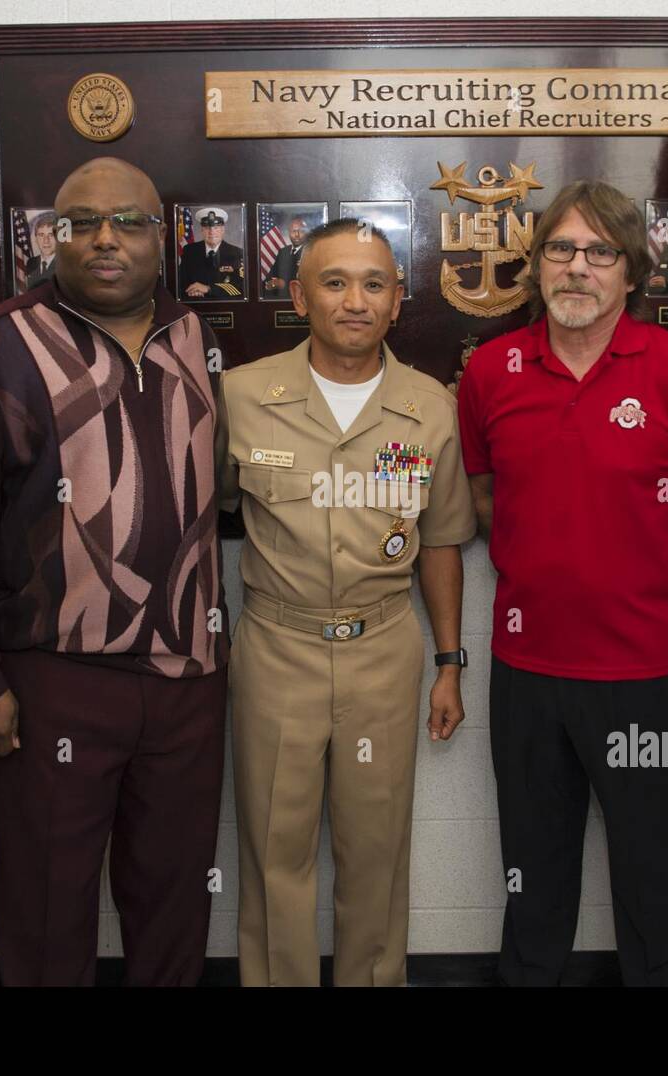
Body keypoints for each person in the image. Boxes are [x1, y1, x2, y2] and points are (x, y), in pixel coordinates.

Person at [0, 158, 229, 987]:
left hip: (186, 681)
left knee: (174, 906)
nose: (103, 239)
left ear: (160, 239)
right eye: (81, 222)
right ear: (52, 237)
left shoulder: (195, 335)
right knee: (47, 910)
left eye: (126, 221)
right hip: (52, 680)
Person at [458, 180, 668, 987]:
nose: (576, 268)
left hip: (649, 678)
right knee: (532, 877)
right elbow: (483, 493)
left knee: (660, 879)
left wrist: (651, 570)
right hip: (527, 677)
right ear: (536, 264)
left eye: (599, 252)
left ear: (631, 272)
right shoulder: (490, 370)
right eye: (559, 249)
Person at [216, 218, 476, 986]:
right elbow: (206, 517)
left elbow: (441, 541)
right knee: (275, 853)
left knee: (376, 851)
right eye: (333, 282)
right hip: (275, 652)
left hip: (382, 652)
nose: (353, 301)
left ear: (398, 302)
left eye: (373, 284)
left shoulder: (430, 408)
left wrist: (451, 663)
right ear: (299, 295)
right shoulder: (239, 396)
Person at [179, 206, 245, 299]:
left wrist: (208, 289)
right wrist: (191, 291)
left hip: (226, 306)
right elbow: (181, 281)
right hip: (195, 304)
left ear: (223, 230)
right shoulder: (190, 251)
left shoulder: (237, 253)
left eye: (216, 227)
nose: (211, 232)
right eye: (207, 228)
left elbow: (242, 287)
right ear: (202, 230)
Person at [264, 215, 308, 299]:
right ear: (288, 232)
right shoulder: (283, 251)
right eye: (293, 231)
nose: (297, 235)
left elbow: (310, 282)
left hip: (302, 300)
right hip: (280, 299)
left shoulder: (311, 252)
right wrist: (271, 282)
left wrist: (284, 284)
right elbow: (271, 274)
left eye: (301, 231)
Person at [24, 211, 58, 289]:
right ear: (36, 239)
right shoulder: (31, 263)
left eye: (51, 235)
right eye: (41, 235)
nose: (46, 240)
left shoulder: (65, 264)